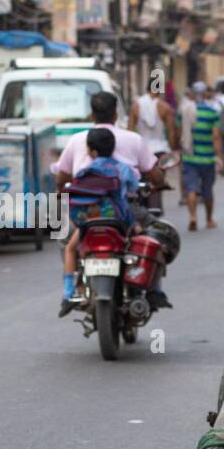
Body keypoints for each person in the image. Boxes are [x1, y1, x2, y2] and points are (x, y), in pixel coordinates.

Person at [54, 92, 163, 313]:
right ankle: (154, 291)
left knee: (67, 244)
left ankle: (69, 291)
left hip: (86, 217)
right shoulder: (132, 143)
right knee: (154, 236)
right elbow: (149, 178)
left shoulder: (79, 147)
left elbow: (62, 177)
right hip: (121, 215)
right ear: (116, 113)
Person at [179, 81, 222, 232]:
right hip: (208, 158)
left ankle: (193, 217)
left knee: (191, 188)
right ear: (205, 94)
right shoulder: (212, 112)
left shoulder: (184, 111)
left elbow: (180, 133)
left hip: (189, 157)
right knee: (207, 189)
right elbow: (216, 137)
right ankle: (209, 219)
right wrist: (219, 156)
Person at [129, 75, 176, 155]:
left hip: (142, 150)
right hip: (161, 150)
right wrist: (171, 150)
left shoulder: (136, 106)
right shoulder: (165, 107)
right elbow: (171, 132)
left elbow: (130, 130)